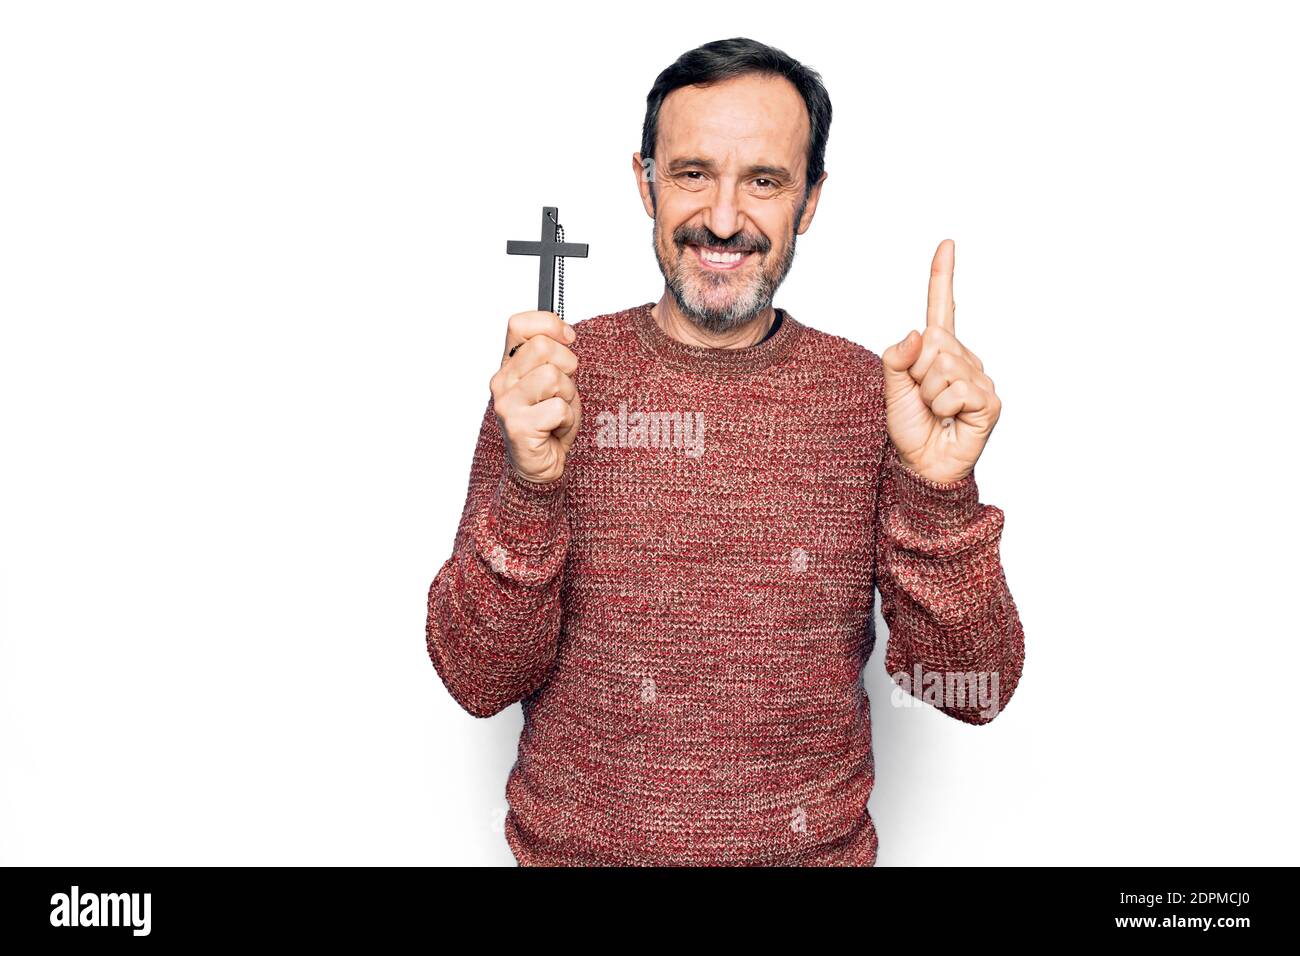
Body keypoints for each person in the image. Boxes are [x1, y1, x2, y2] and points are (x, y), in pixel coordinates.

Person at [425, 36, 1025, 866]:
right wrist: (529, 492)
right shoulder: (551, 383)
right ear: (645, 181)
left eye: (765, 181)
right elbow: (475, 678)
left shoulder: (871, 398)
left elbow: (976, 692)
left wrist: (939, 495)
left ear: (809, 200)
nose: (721, 218)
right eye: (693, 173)